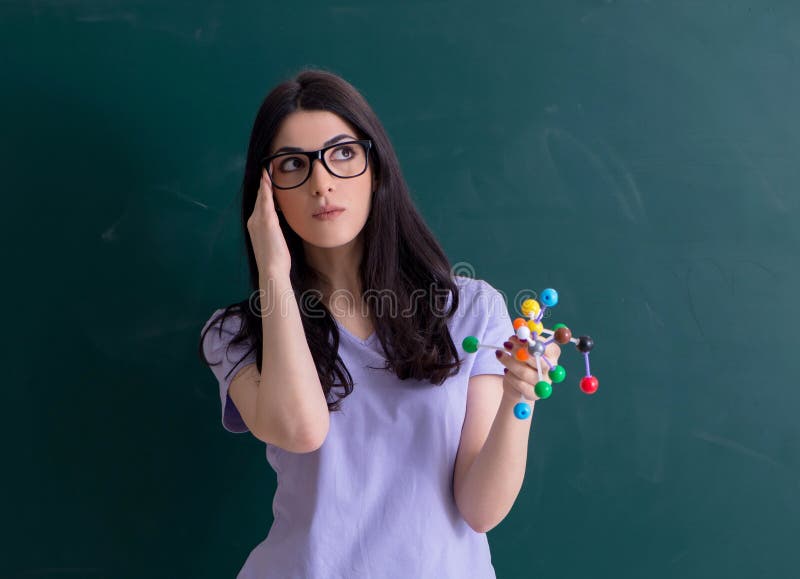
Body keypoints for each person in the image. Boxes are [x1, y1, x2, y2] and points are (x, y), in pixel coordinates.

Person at [198, 68, 561, 579]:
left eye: (342, 153)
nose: (321, 183)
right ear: (268, 188)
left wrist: (520, 397)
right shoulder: (237, 334)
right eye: (293, 165)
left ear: (376, 166)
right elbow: (301, 430)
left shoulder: (471, 311)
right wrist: (273, 271)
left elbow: (480, 510)